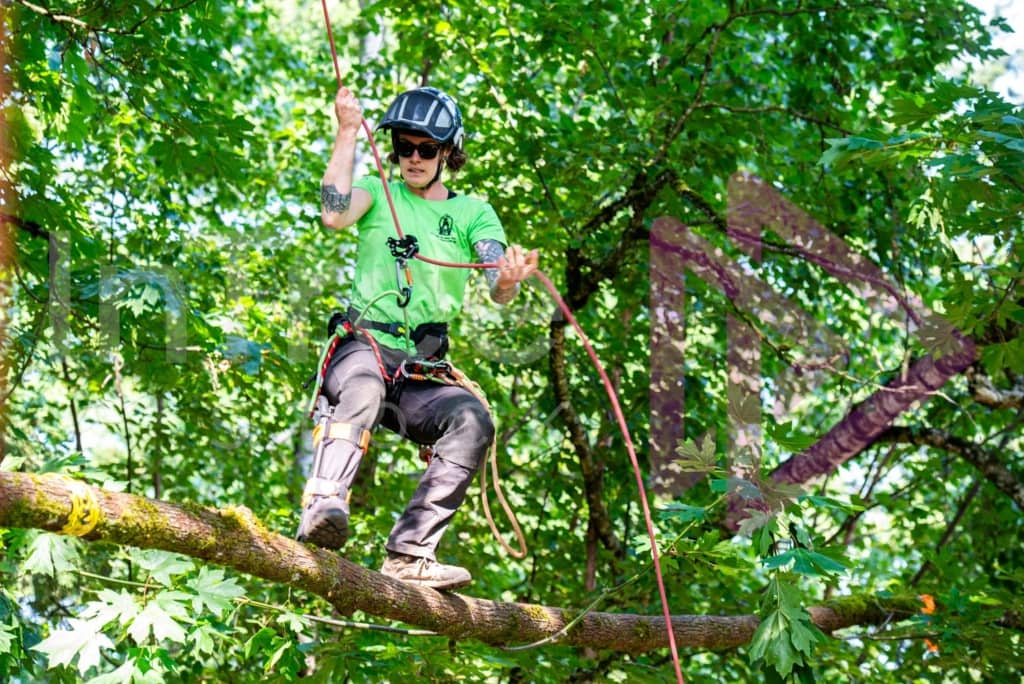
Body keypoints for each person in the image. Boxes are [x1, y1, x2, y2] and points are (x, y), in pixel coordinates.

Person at [296, 85, 538, 591]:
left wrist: (510, 278)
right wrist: (345, 131)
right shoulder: (379, 191)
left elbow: (496, 281)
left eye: (427, 148)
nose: (413, 158)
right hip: (364, 346)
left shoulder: (473, 212)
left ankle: (409, 554)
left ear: (448, 151)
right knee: (362, 387)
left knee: (472, 419)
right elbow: (333, 212)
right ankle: (323, 506)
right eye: (405, 147)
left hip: (419, 371)